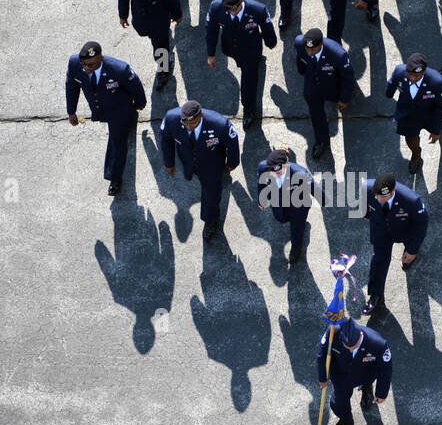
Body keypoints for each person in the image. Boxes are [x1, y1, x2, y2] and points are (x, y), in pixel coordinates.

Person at [65, 41, 146, 196]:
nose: (86, 69)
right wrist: (71, 112)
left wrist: (140, 103)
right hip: (100, 110)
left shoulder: (119, 69)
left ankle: (115, 177)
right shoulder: (74, 64)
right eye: (84, 65)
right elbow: (71, 87)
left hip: (119, 111)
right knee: (118, 137)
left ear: (100, 59)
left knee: (118, 142)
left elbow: (135, 85)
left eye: (91, 65)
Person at [160, 98, 240, 241]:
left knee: (212, 194)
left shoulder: (220, 124)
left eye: (193, 123)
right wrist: (169, 163)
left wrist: (232, 164)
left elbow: (232, 144)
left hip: (212, 163)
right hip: (188, 160)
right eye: (186, 123)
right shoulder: (171, 119)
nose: (189, 126)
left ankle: (211, 221)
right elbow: (165, 140)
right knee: (192, 175)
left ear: (201, 116)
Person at [204, 0, 277, 131]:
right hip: (230, 47)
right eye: (228, 10)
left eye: (235, 9)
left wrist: (271, 42)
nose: (232, 12)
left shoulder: (258, 10)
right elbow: (211, 31)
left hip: (251, 50)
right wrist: (211, 54)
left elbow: (267, 28)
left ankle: (248, 109)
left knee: (249, 80)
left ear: (241, 2)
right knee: (244, 67)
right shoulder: (216, 8)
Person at [362, 171, 428, 315]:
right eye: (377, 196)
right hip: (381, 232)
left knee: (409, 254)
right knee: (378, 261)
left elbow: (421, 223)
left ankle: (409, 258)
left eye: (384, 197)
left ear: (393, 192)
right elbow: (365, 211)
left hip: (404, 230)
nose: (379, 200)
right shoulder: (366, 189)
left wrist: (412, 249)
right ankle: (376, 296)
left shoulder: (412, 201)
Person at [318, 317, 392, 425]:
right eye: (347, 346)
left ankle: (367, 390)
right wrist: (323, 377)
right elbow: (321, 355)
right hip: (341, 374)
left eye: (354, 346)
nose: (350, 350)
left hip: (365, 372)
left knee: (367, 383)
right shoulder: (332, 333)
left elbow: (386, 368)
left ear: (361, 335)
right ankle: (345, 419)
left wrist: (381, 393)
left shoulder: (378, 344)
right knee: (339, 402)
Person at [117, 0, 181, 89]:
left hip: (159, 21)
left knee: (160, 46)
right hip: (141, 22)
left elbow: (173, 0)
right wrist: (123, 16)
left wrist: (177, 15)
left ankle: (163, 69)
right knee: (154, 38)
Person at [294, 26, 356, 160]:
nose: (309, 52)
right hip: (312, 85)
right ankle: (321, 141)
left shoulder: (337, 55)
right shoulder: (299, 44)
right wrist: (301, 70)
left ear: (321, 44)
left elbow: (348, 77)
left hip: (332, 86)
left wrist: (344, 99)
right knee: (316, 115)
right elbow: (300, 57)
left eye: (313, 49)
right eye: (307, 49)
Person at [385, 51, 442, 172]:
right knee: (410, 138)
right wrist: (389, 92)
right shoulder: (399, 71)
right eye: (410, 75)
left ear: (424, 72)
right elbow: (392, 83)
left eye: (418, 76)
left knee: (436, 130)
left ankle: (440, 130)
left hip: (429, 113)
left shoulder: (437, 81)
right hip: (408, 114)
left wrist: (436, 129)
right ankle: (416, 154)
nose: (413, 78)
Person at [257, 146, 319, 265]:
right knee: (281, 218)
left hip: (298, 206)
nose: (276, 174)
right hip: (278, 202)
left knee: (297, 230)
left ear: (286, 165)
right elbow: (261, 184)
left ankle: (296, 249)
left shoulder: (300, 173)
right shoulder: (263, 168)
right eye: (273, 172)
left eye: (279, 172)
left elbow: (314, 188)